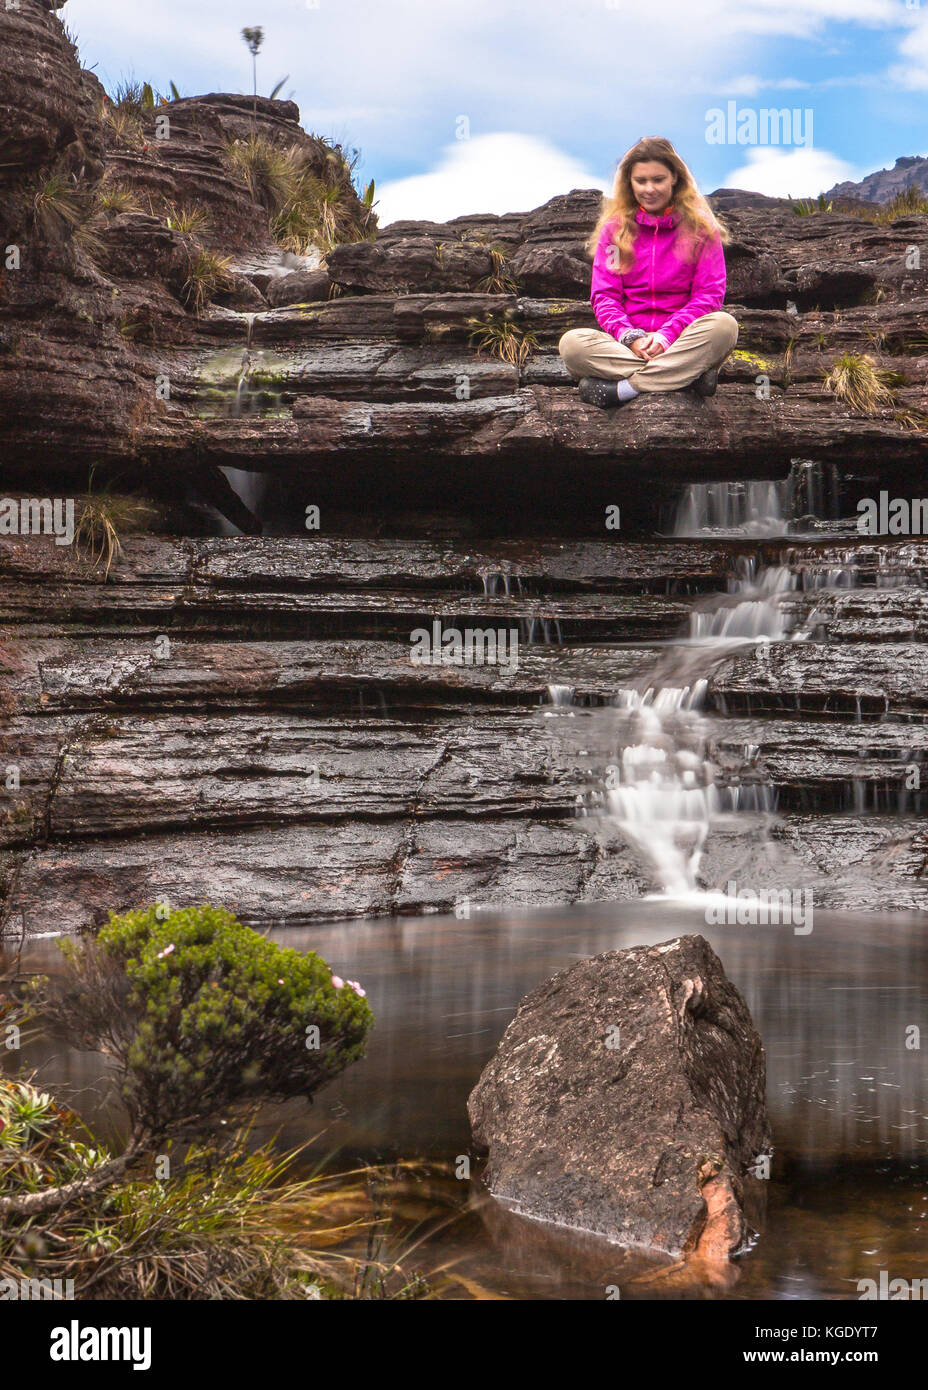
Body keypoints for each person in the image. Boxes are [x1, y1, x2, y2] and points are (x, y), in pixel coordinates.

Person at [559, 136, 739, 408]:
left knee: (724, 326)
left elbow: (709, 295)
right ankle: (687, 376)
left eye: (658, 180)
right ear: (629, 183)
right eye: (641, 181)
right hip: (629, 346)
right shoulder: (614, 232)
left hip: (681, 340)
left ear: (675, 178)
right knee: (572, 345)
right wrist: (631, 337)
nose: (649, 189)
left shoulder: (701, 230)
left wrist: (667, 335)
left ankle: (625, 389)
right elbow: (605, 296)